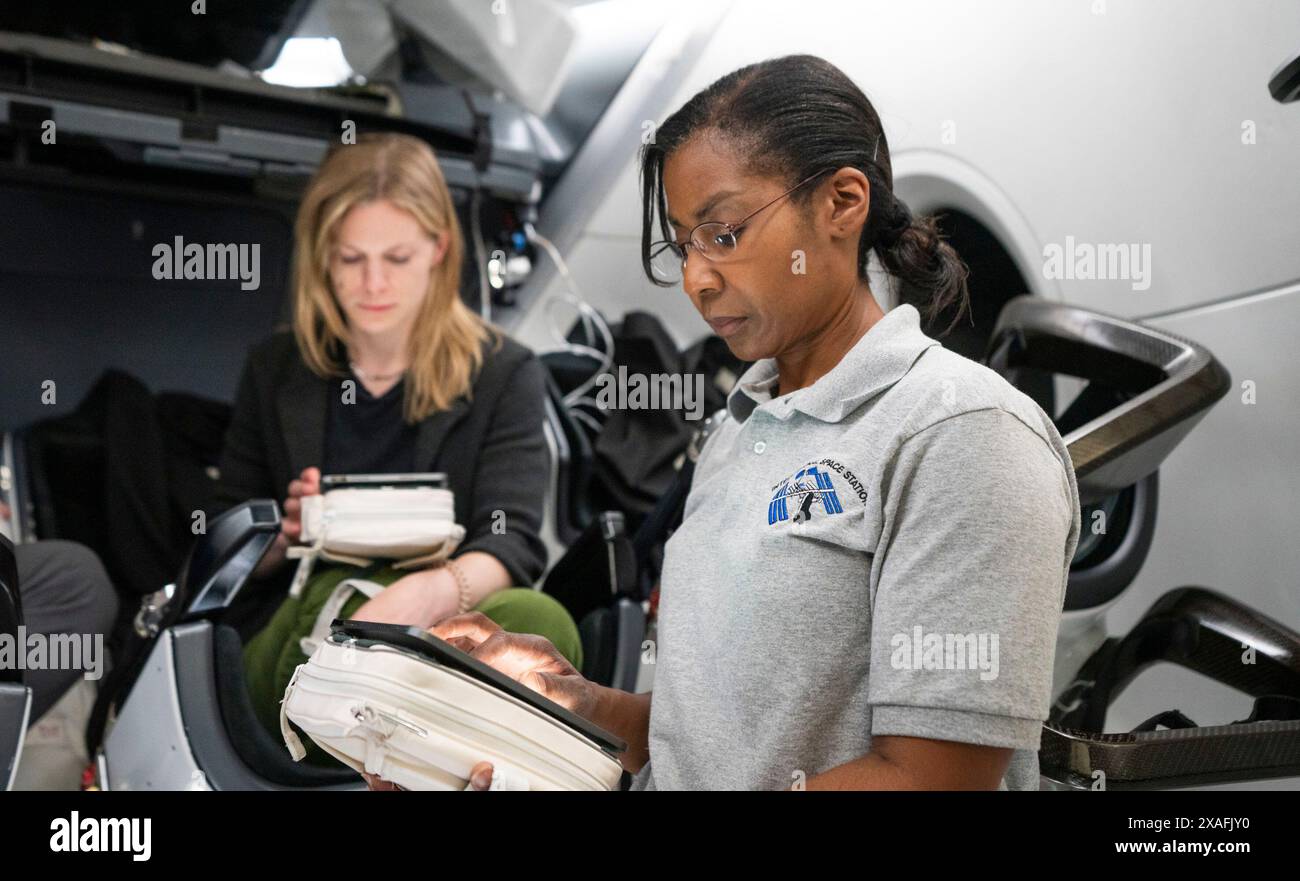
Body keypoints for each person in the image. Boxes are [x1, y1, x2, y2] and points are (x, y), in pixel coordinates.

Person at [407, 54, 1082, 791]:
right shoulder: (739, 426)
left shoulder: (963, 433)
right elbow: (711, 741)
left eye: (723, 232)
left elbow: (929, 779)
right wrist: (564, 700)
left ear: (843, 202)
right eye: (682, 243)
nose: (696, 277)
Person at [208, 134, 580, 739]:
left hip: (441, 615)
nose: (373, 283)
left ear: (438, 249)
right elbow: (226, 536)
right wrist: (285, 531)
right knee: (335, 612)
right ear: (322, 258)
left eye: (397, 258)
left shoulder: (504, 372)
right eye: (351, 259)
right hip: (302, 623)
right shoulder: (276, 367)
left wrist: (425, 592)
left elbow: (509, 543)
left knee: (542, 627)